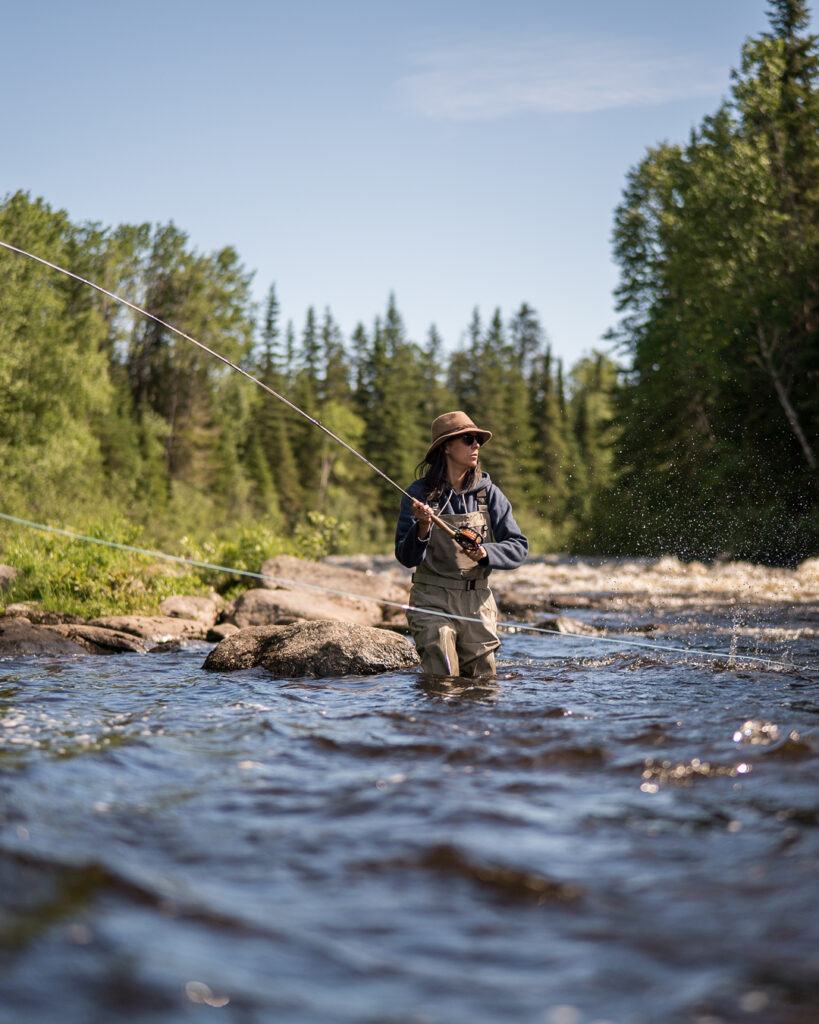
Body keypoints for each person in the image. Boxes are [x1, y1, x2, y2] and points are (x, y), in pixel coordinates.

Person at [395, 411, 529, 677]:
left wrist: (485, 552)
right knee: (442, 671)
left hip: (476, 602)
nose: (476, 445)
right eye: (468, 439)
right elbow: (406, 556)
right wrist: (422, 526)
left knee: (482, 683)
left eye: (478, 440)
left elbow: (518, 546)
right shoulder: (417, 494)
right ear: (446, 446)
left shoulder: (489, 493)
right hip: (431, 598)